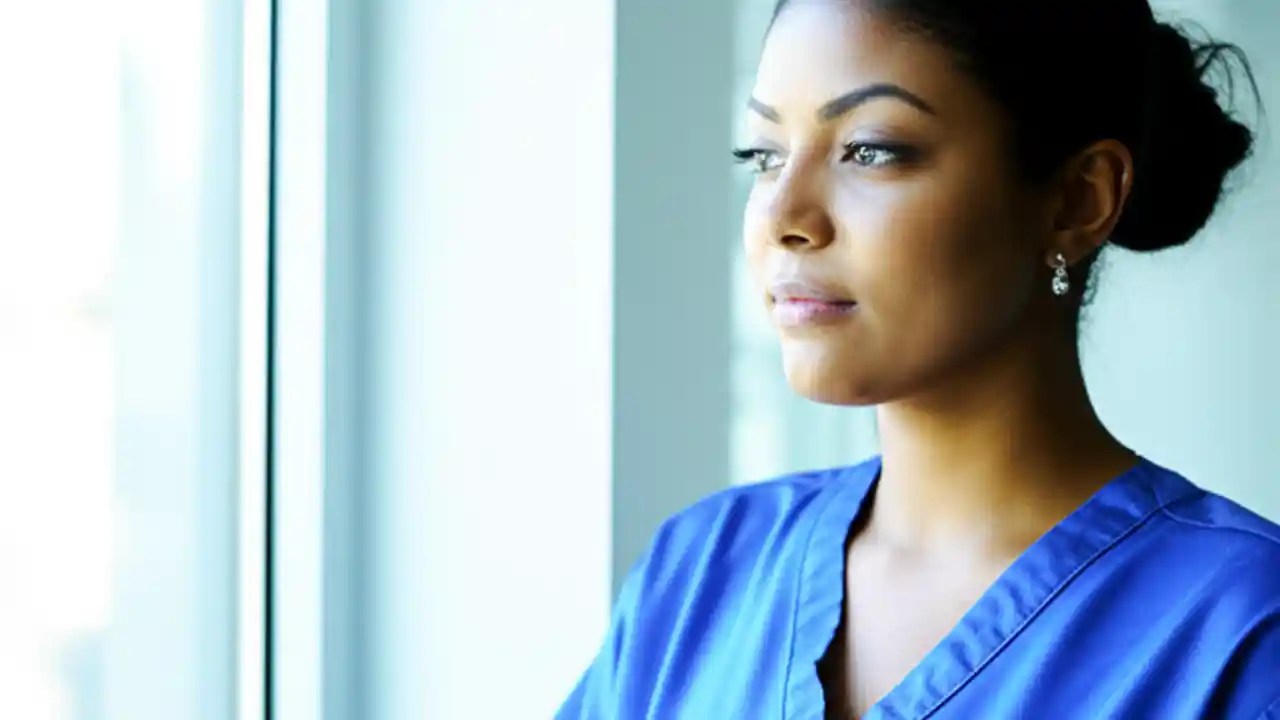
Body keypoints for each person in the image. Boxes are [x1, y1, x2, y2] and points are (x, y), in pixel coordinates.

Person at [559, 0, 1279, 717]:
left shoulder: (1242, 635)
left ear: (1076, 200)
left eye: (871, 150)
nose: (784, 218)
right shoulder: (699, 576)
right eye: (764, 156)